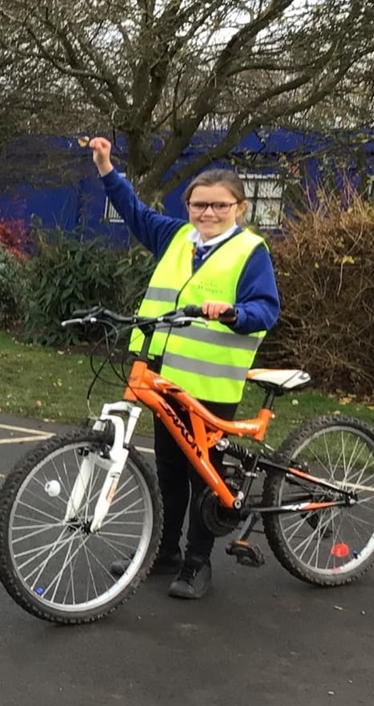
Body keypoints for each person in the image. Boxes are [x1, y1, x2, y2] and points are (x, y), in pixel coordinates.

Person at [90, 137, 280, 599]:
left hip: (210, 384)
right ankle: (165, 554)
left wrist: (233, 313)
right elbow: (134, 213)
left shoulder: (250, 251)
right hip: (165, 378)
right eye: (199, 205)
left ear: (239, 207)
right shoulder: (177, 237)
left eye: (219, 205)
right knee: (171, 473)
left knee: (203, 476)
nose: (207, 213)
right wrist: (106, 169)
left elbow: (265, 309)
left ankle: (197, 563)